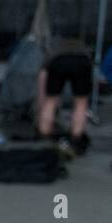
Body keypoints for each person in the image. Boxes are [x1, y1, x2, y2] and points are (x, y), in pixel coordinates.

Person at [37, 27, 93, 155]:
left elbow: (42, 76)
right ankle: (76, 138)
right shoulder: (83, 47)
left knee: (50, 101)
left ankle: (44, 135)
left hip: (58, 61)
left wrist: (42, 101)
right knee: (81, 103)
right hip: (81, 61)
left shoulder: (53, 48)